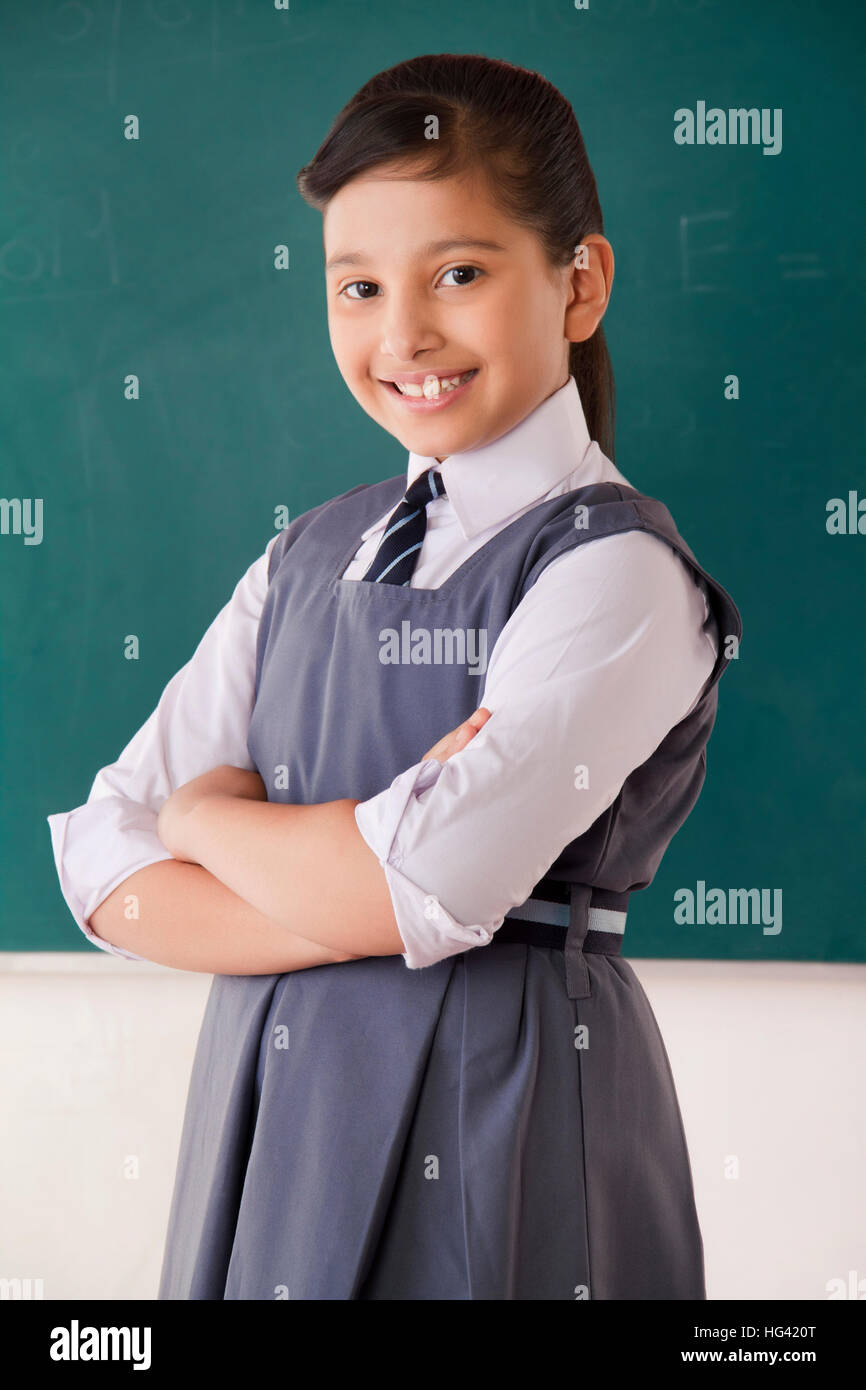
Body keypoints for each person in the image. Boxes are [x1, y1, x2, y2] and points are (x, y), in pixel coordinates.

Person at [47, 52, 742, 1300]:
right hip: (270, 1118)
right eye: (356, 287)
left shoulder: (617, 574)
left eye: (458, 274)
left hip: (511, 1108)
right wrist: (348, 886)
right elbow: (101, 862)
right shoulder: (302, 553)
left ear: (578, 284)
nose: (402, 335)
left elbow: (415, 883)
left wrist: (208, 817)